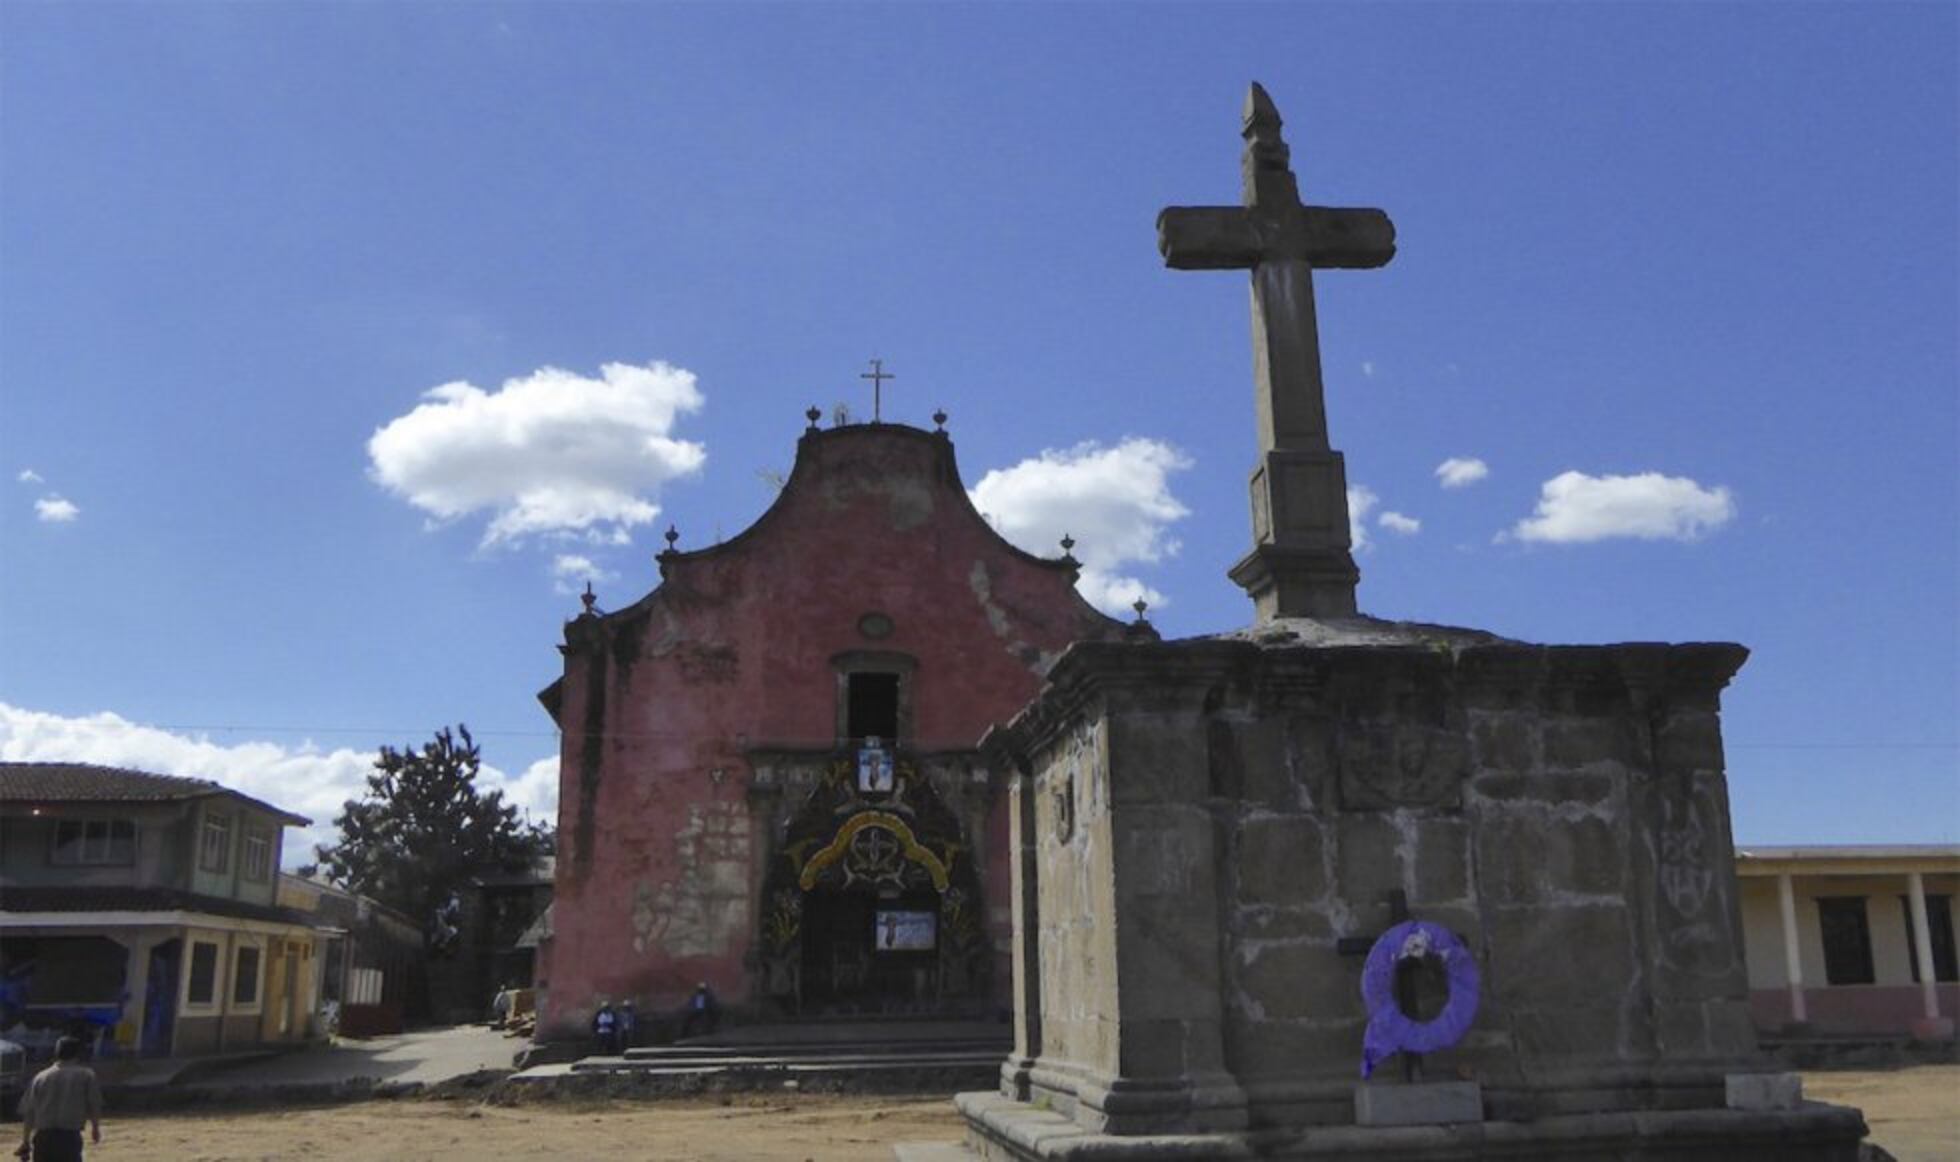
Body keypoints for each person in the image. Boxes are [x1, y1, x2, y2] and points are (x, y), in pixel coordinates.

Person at [15, 1037, 102, 1162]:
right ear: (78, 1054)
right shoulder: (86, 1075)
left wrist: (25, 1142)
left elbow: (29, 1112)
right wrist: (95, 1128)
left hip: (43, 1139)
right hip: (69, 1138)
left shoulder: (41, 1077)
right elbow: (94, 1104)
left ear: (56, 1053)